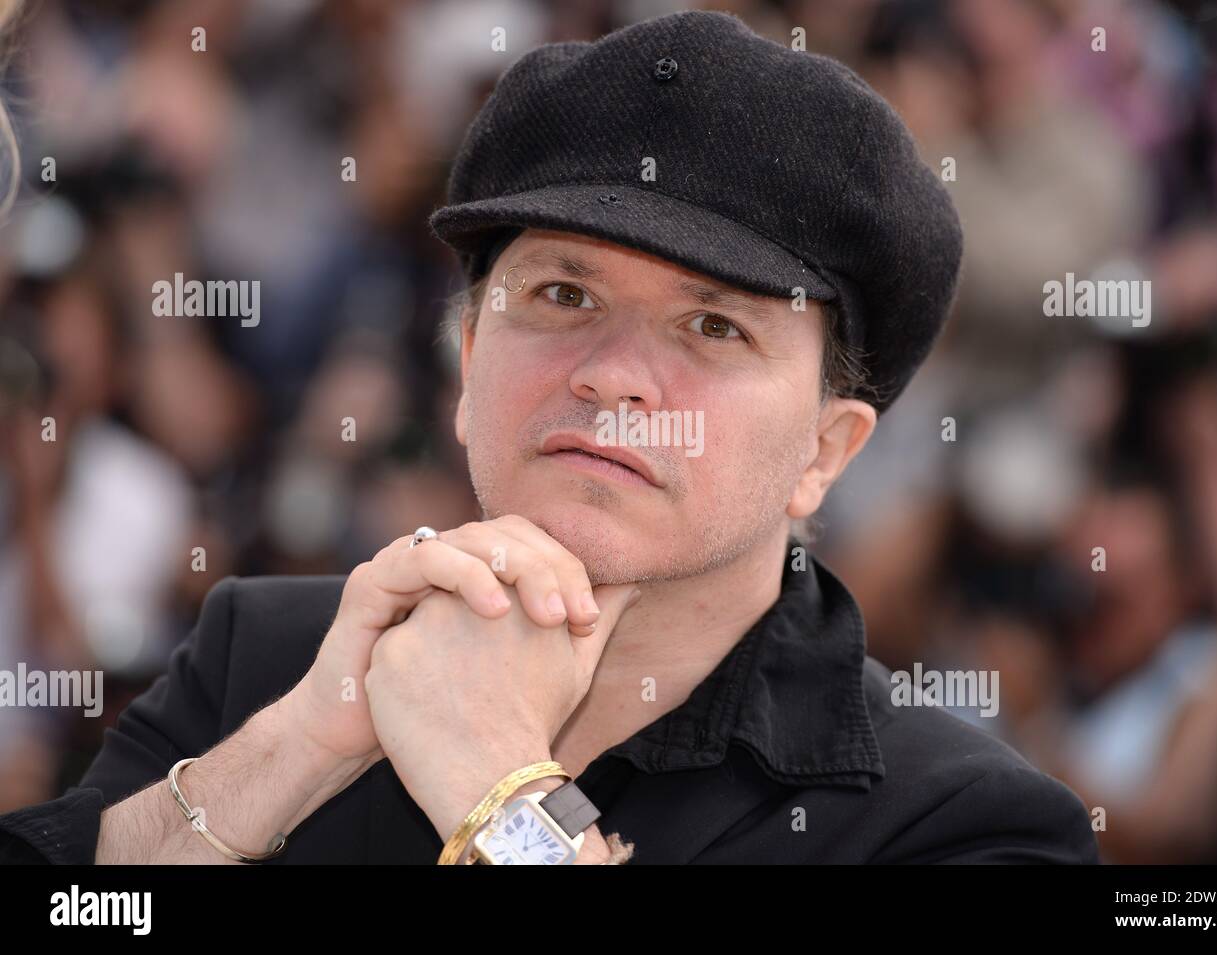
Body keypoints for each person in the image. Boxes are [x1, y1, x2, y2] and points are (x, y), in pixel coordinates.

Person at [0, 9, 1097, 864]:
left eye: (712, 324)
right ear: (470, 366)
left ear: (826, 449)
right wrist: (289, 755)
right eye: (563, 294)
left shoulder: (961, 821)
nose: (613, 373)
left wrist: (502, 796)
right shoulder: (270, 658)